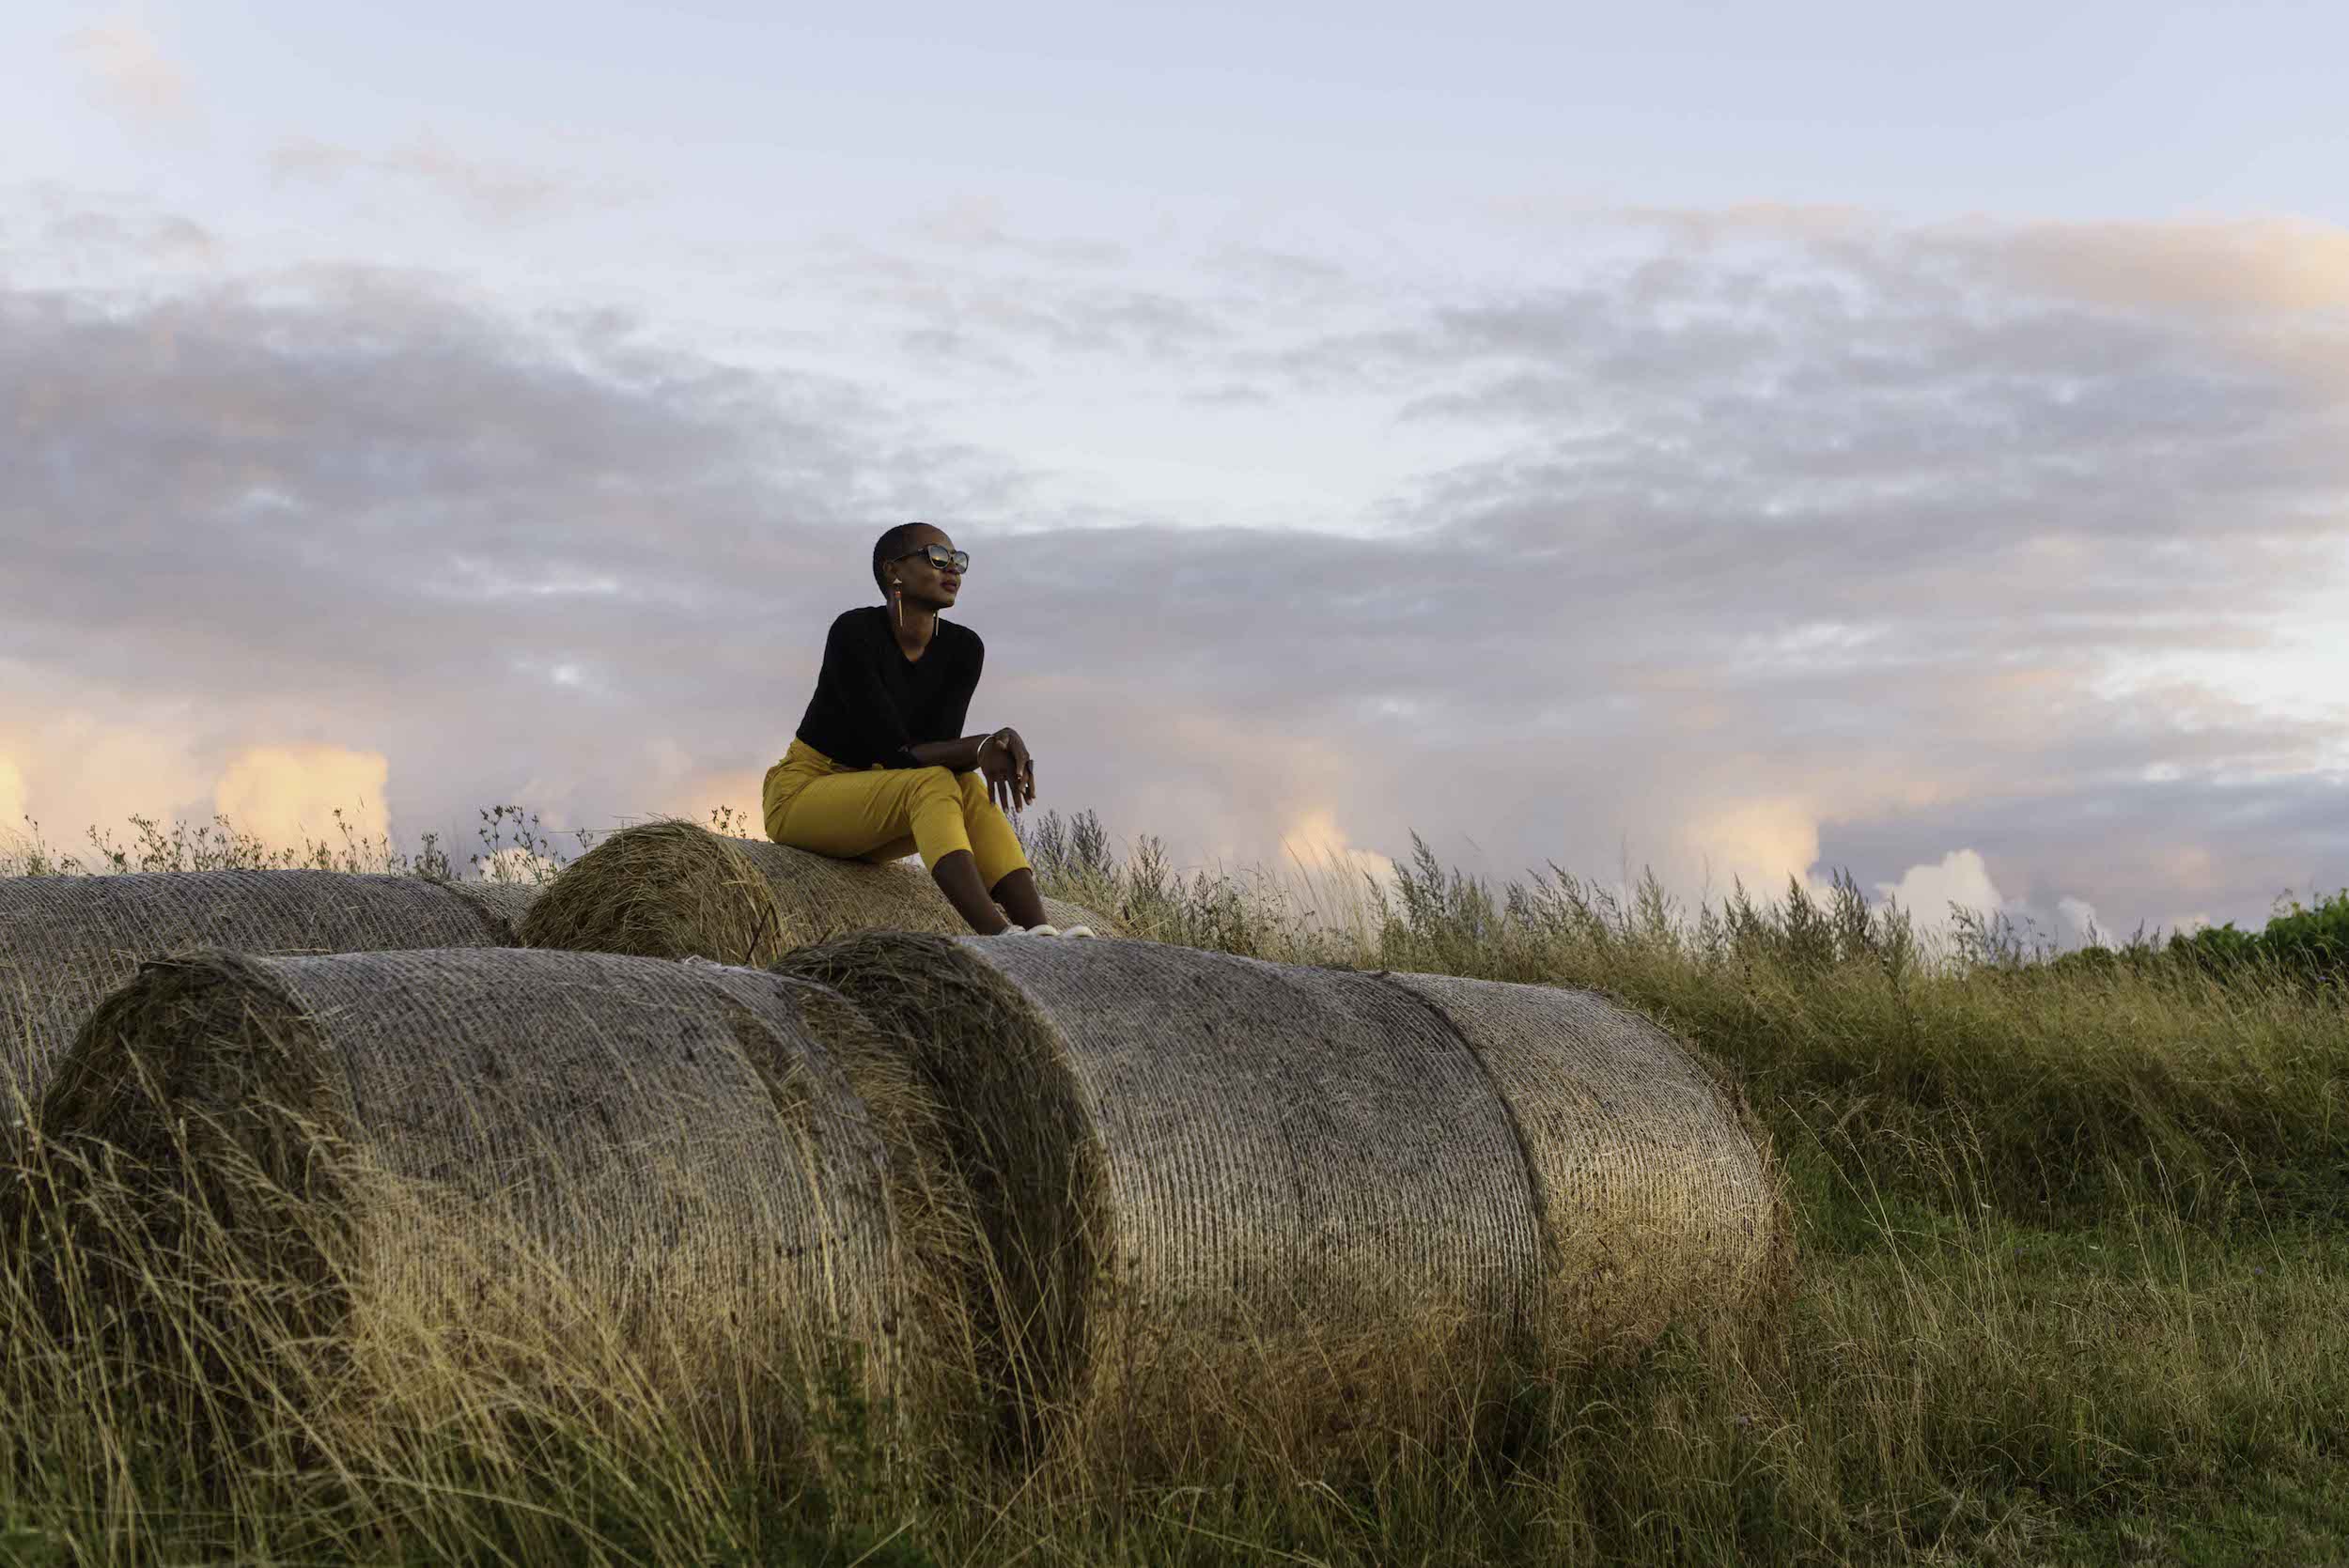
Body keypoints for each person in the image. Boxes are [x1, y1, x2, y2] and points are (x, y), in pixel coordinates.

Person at [761, 522, 1095, 939]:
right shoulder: (854, 634)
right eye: (937, 558)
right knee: (934, 783)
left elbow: (935, 749)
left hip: (879, 805)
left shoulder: (963, 648)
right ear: (893, 572)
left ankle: (1042, 934)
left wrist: (991, 744)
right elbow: (896, 751)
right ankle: (999, 939)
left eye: (958, 561)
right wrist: (980, 746)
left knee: (966, 787)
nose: (952, 569)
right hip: (805, 793)